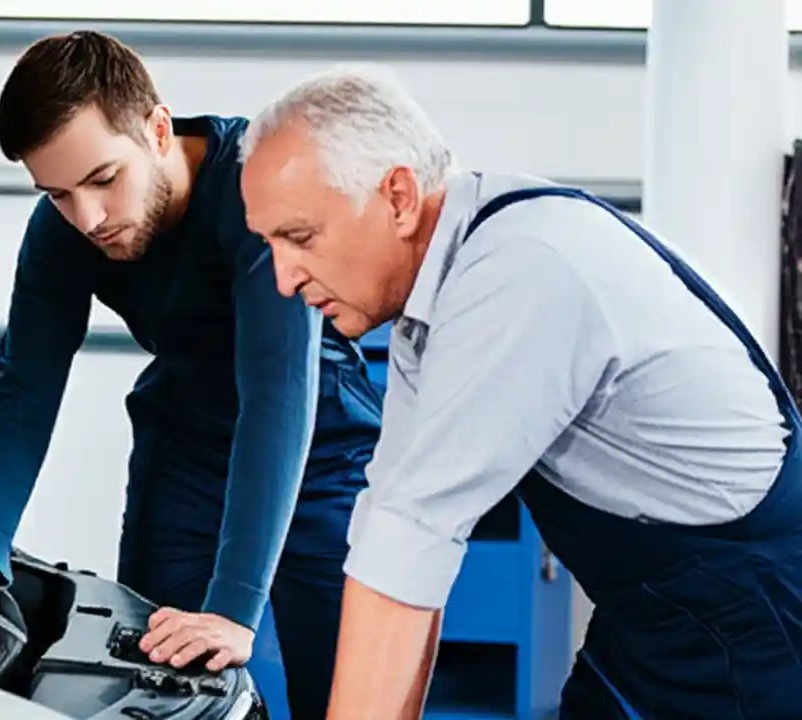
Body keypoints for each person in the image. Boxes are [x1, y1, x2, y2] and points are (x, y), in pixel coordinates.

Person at [239, 64, 802, 720]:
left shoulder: (521, 272)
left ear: (396, 196)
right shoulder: (442, 290)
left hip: (755, 626)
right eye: (269, 244)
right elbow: (390, 531)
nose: (283, 278)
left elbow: (412, 536)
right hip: (653, 615)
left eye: (300, 238)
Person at [0, 32, 384, 719]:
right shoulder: (62, 231)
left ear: (157, 130)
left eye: (102, 180)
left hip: (319, 446)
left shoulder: (257, 193)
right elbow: (22, 396)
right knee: (157, 690)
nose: (86, 218)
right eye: (58, 193)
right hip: (185, 446)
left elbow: (277, 397)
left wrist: (235, 608)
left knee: (349, 702)